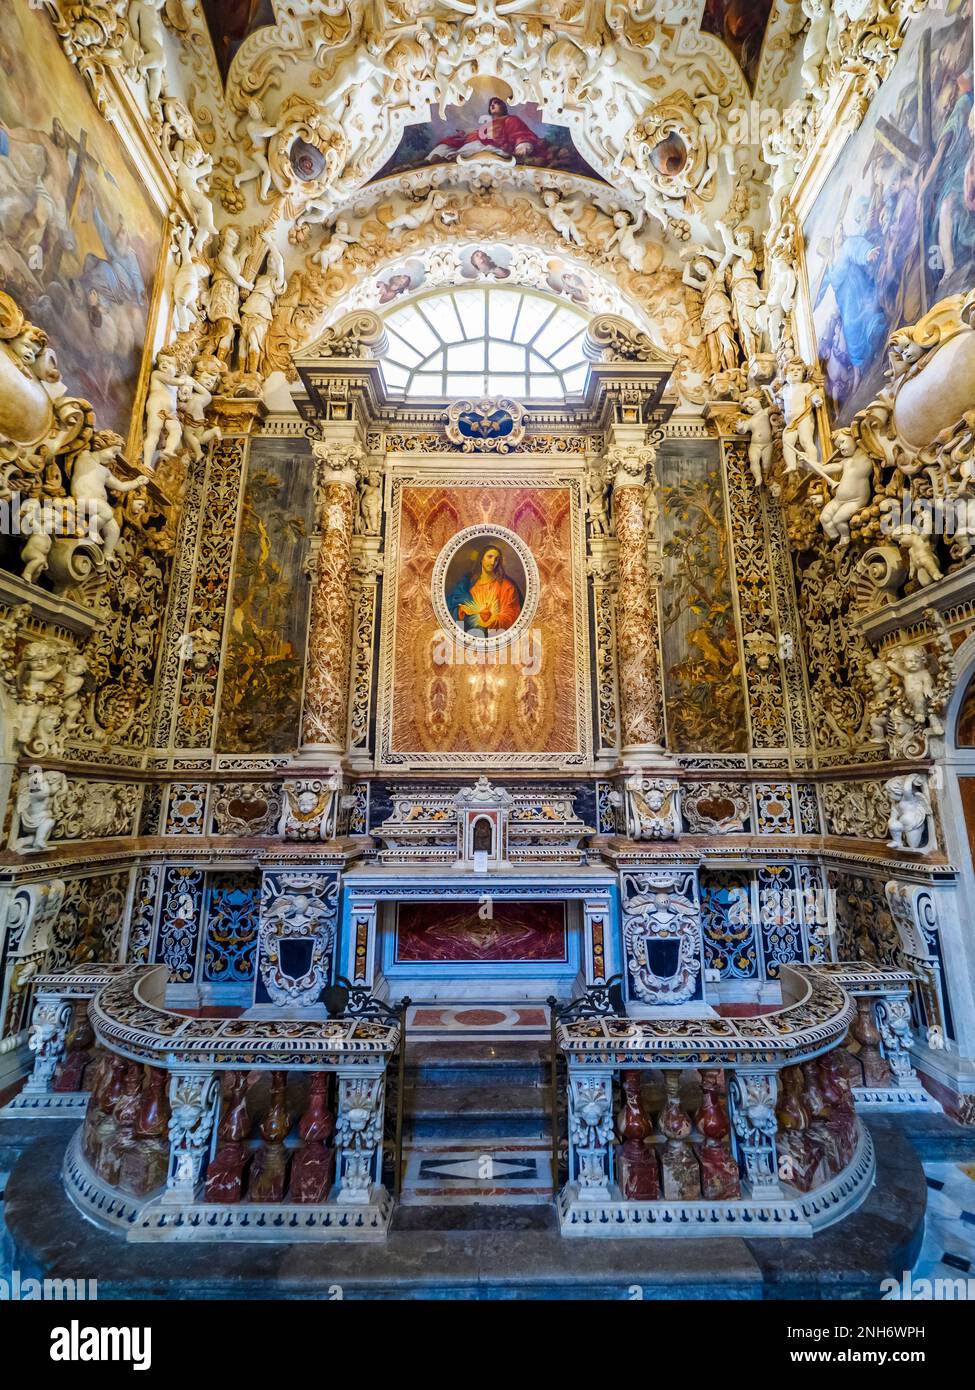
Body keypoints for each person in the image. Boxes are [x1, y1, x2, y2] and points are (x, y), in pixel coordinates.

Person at [447, 542, 522, 634]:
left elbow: (512, 615)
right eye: (489, 557)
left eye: (497, 559)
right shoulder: (470, 585)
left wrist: (489, 619)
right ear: (481, 559)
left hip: (496, 636)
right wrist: (461, 611)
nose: (493, 562)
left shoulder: (506, 587)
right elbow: (453, 609)